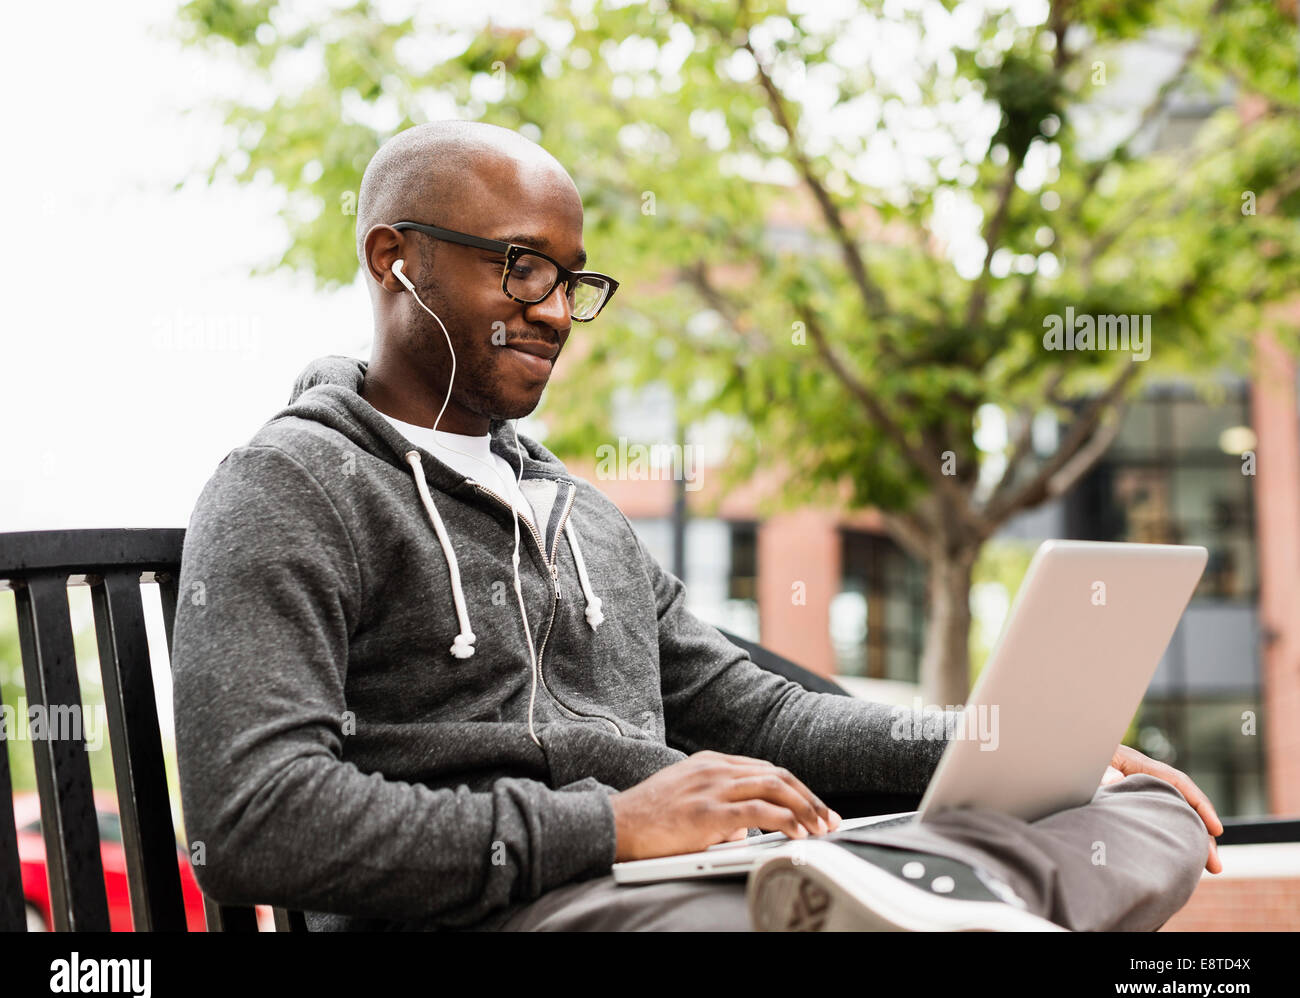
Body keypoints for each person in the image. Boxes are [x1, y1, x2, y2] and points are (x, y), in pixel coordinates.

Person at [170, 120, 1220, 933]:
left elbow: (763, 714)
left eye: (569, 279)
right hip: (507, 905)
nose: (551, 307)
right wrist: (610, 824)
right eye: (519, 264)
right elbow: (255, 816)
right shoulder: (289, 483)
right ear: (395, 258)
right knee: (767, 910)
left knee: (1138, 815)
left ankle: (923, 902)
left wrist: (1020, 746)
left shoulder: (579, 512)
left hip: (672, 880)